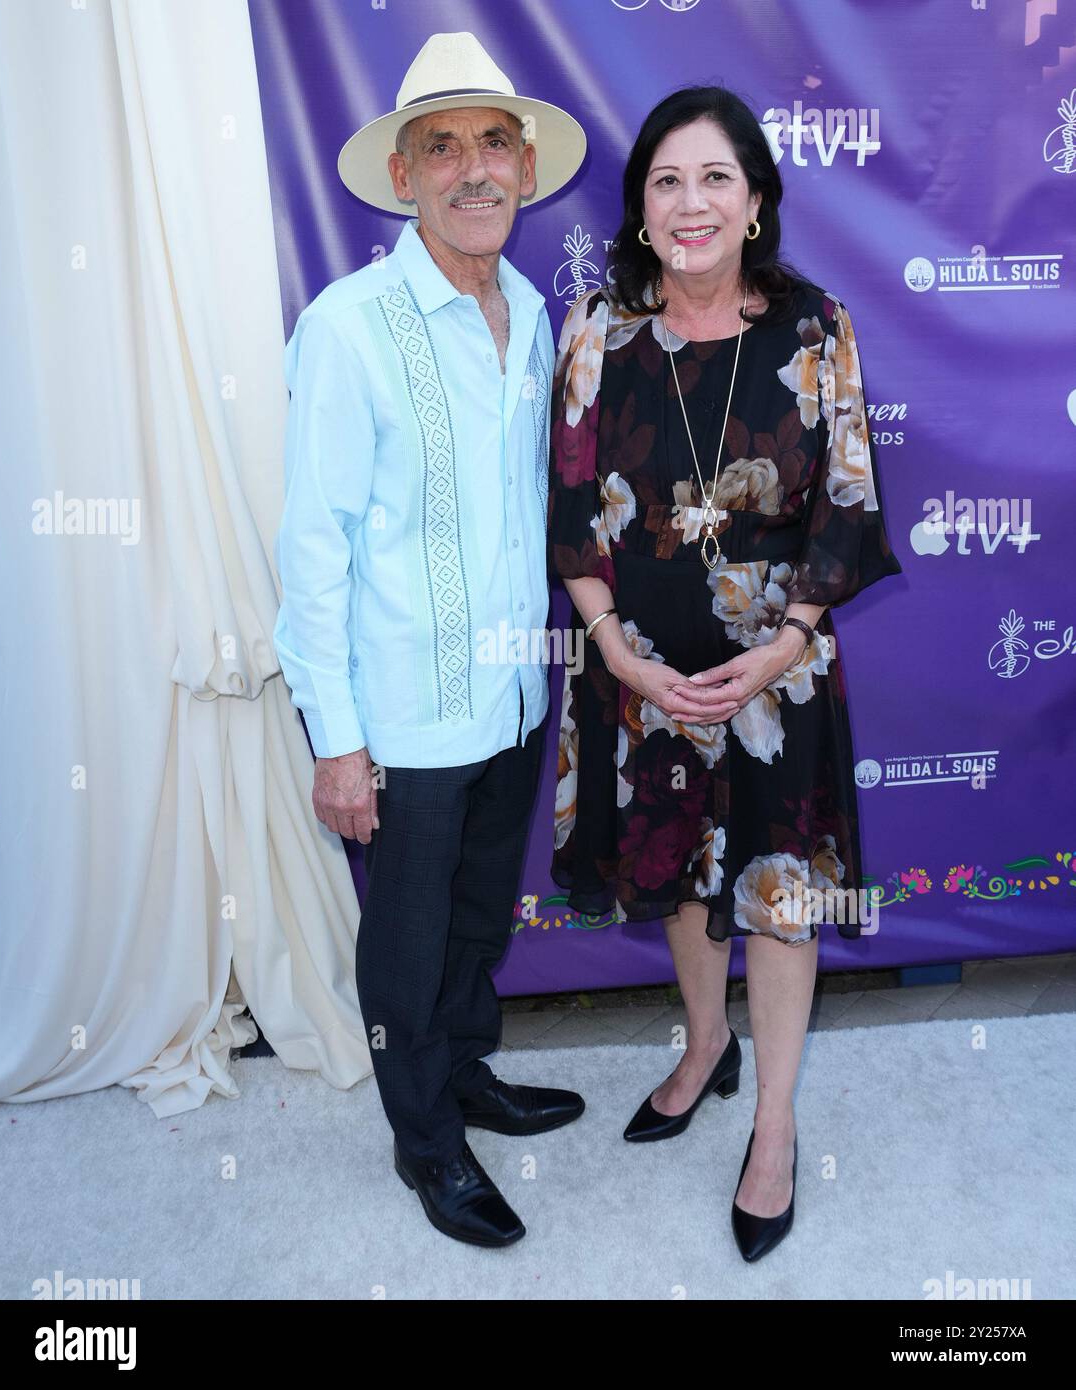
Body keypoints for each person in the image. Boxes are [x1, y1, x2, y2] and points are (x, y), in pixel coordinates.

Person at [547, 85, 902, 1263]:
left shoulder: (814, 329)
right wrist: (613, 651)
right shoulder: (597, 332)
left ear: (754, 201)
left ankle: (775, 1126)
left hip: (777, 672)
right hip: (641, 678)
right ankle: (704, 1044)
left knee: (777, 894)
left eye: (713, 179)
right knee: (682, 879)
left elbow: (848, 501)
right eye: (664, 181)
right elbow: (568, 519)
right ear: (640, 212)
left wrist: (789, 635)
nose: (689, 203)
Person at [273, 32, 588, 1249]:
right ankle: (426, 1144)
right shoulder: (347, 328)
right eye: (441, 146)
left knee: (475, 917)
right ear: (402, 176)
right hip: (402, 715)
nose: (472, 168)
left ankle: (464, 1074)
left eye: (492, 143)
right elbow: (313, 551)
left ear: (523, 167)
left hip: (510, 698)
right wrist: (337, 741)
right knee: (404, 947)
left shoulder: (531, 309)